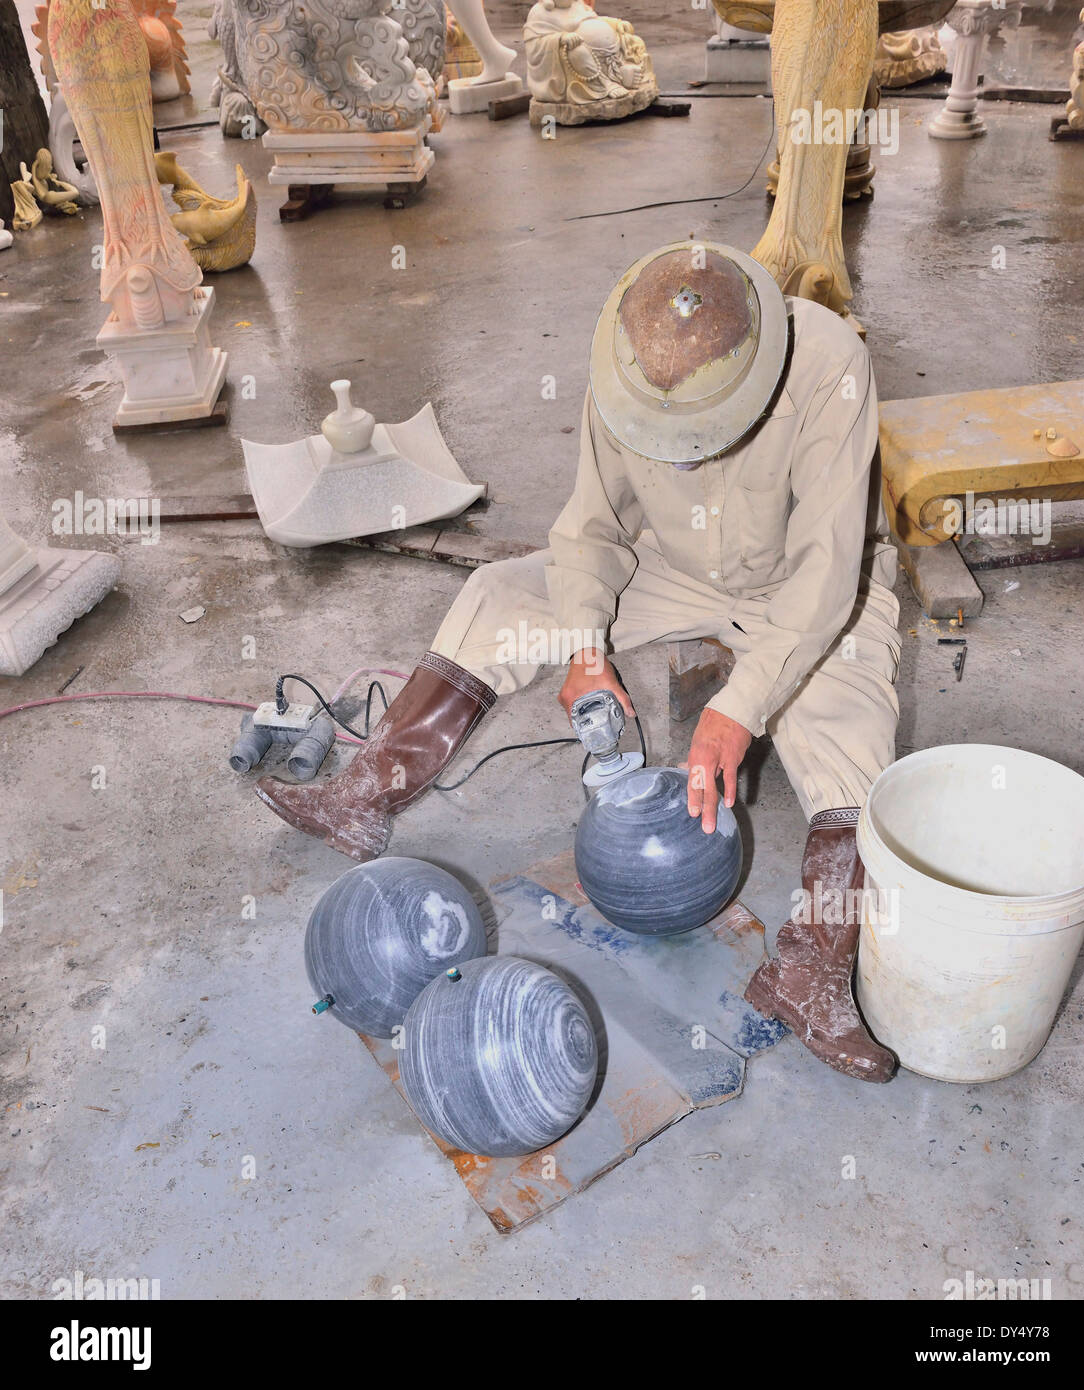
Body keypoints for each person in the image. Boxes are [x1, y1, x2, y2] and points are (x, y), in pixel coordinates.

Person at [257, 241, 902, 1082]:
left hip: (815, 586)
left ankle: (809, 973)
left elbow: (823, 576)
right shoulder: (625, 356)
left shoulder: (828, 364)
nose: (681, 457)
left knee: (854, 740)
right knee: (501, 595)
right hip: (677, 567)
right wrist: (585, 649)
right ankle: (364, 794)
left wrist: (739, 708)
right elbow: (592, 530)